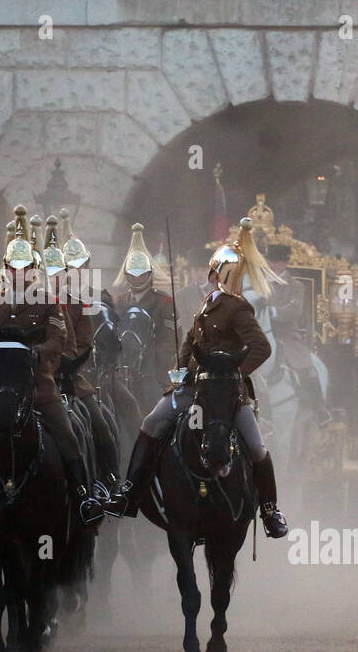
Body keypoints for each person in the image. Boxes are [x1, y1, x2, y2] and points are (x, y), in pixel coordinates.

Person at [109, 219, 287, 538]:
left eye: (217, 274)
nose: (213, 279)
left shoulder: (237, 309)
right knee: (151, 423)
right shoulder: (207, 305)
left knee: (257, 446)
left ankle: (270, 510)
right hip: (194, 386)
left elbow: (262, 347)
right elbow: (189, 342)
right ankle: (130, 493)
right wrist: (179, 370)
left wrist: (232, 376)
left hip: (227, 395)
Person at [0, 206, 105, 531]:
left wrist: (34, 354)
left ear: (33, 269)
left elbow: (58, 342)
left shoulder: (48, 303)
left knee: (68, 436)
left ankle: (83, 497)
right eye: (12, 269)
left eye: (24, 268)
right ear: (5, 270)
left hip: (39, 387)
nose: (18, 274)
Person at [43, 214, 121, 487]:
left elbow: (86, 343)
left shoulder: (80, 302)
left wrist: (67, 364)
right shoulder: (27, 304)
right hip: (32, 379)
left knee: (99, 421)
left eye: (59, 274)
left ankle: (111, 480)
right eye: (48, 274)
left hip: (71, 377)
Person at [263, 240, 332, 428]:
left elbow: (295, 309)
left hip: (286, 334)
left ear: (285, 263)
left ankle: (319, 408)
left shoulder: (296, 286)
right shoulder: (257, 284)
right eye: (270, 261)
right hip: (258, 333)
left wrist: (273, 311)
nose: (272, 265)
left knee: (305, 364)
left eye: (276, 262)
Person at [110, 223, 178, 371]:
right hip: (122, 366)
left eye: (142, 274)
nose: (137, 279)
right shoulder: (118, 302)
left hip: (153, 368)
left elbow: (171, 339)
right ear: (127, 276)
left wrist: (150, 355)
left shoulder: (164, 302)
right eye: (132, 275)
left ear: (149, 275)